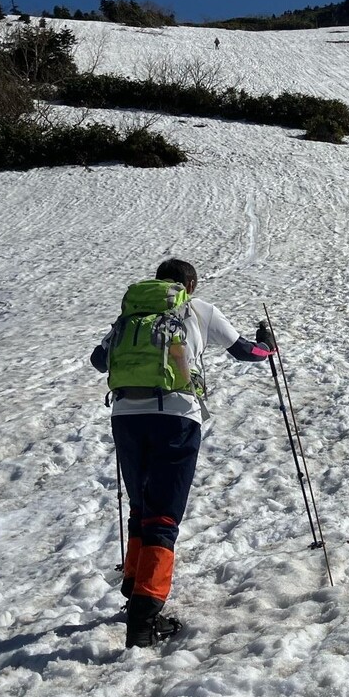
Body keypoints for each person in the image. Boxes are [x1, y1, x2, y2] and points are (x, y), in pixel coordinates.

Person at [90, 258, 274, 649]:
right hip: (175, 416)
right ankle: (144, 617)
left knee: (142, 505)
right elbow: (245, 352)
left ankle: (134, 586)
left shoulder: (130, 315)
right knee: (164, 512)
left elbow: (98, 360)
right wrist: (269, 348)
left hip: (125, 415)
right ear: (189, 285)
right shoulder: (198, 309)